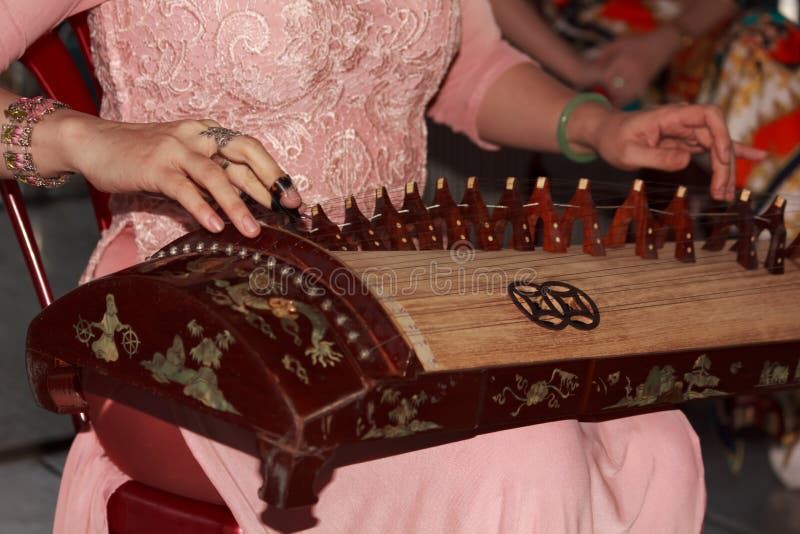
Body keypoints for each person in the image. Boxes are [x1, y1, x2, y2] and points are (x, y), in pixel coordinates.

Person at [0, 0, 766, 532]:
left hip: (397, 300)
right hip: (186, 315)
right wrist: (88, 140)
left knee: (653, 443)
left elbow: (467, 69)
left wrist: (597, 126)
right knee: (520, 459)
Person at [490, 0, 800, 233]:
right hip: (604, 52)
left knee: (765, 39)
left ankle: (768, 229)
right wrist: (578, 70)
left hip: (704, 25)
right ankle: (770, 229)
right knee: (756, 55)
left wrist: (668, 38)